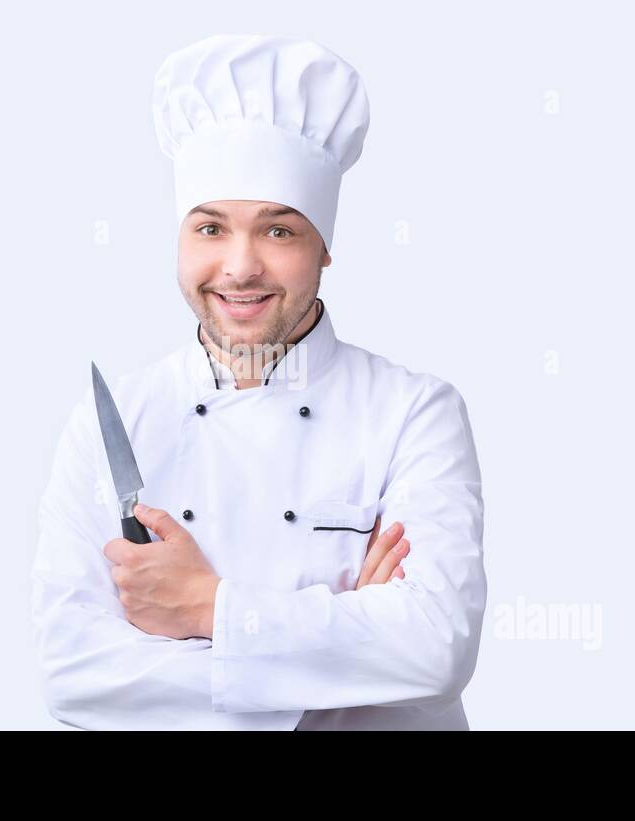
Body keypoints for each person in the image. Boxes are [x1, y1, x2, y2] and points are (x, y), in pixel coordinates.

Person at [31, 34, 487, 730]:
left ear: (325, 245)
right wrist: (342, 664)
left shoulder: (415, 413)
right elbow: (72, 674)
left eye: (278, 232)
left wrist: (202, 606)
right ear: (180, 240)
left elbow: (436, 648)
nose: (240, 268)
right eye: (210, 228)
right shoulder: (113, 419)